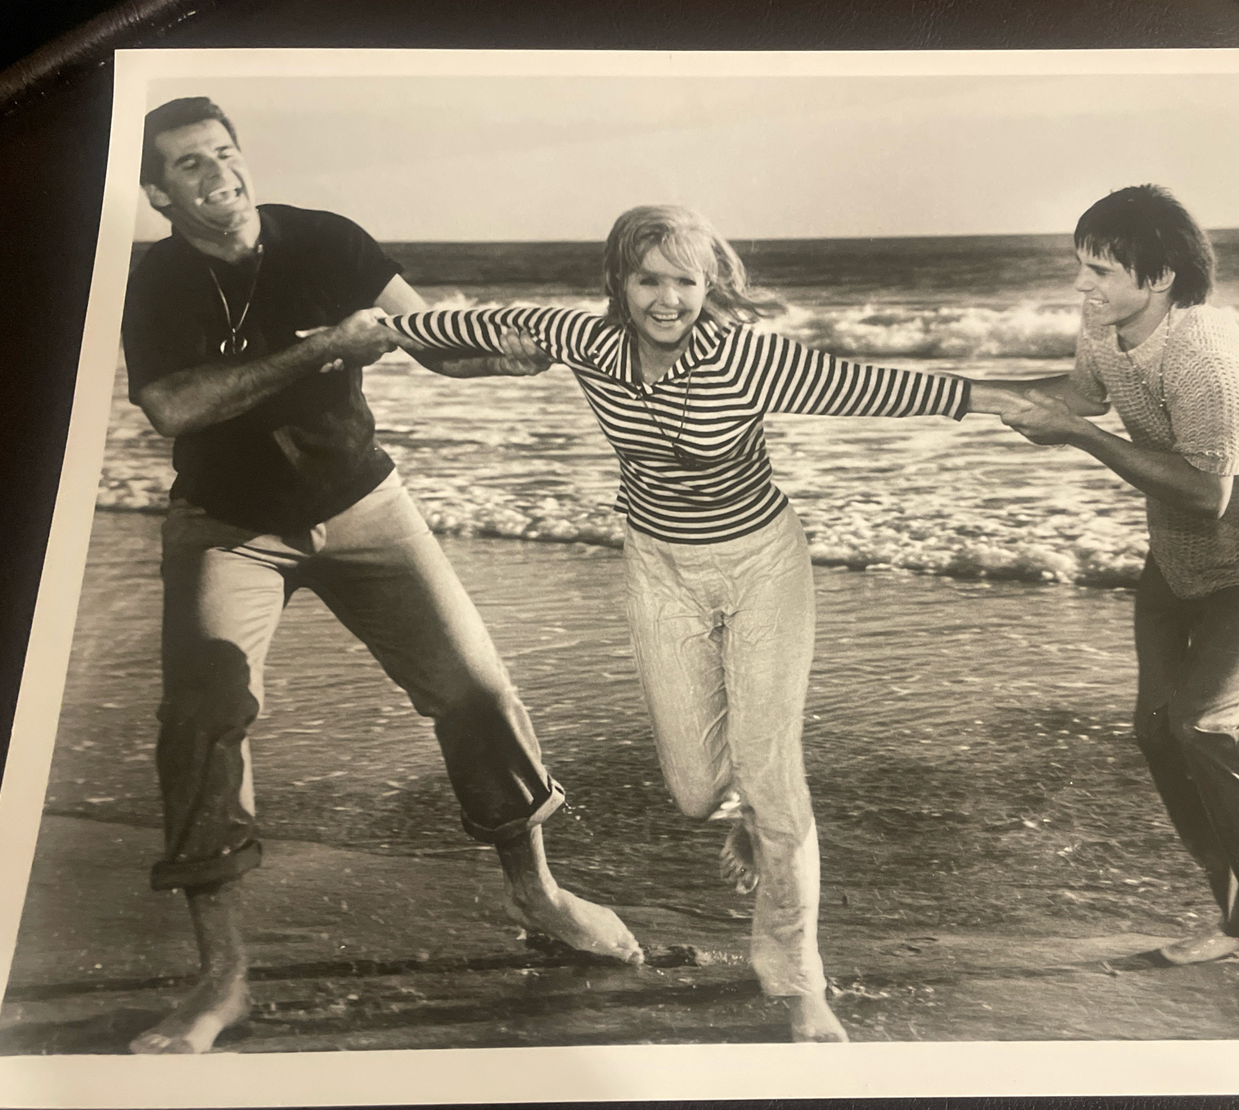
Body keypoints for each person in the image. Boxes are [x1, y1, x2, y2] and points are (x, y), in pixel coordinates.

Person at [382, 206, 1027, 1042]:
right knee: (694, 792)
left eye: (686, 281)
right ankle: (754, 816)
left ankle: (798, 978)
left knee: (772, 775)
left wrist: (1012, 399)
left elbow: (876, 385)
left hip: (764, 564)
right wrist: (371, 330)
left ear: (709, 284)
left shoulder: (744, 357)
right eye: (649, 278)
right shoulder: (586, 342)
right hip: (660, 569)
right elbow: (473, 321)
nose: (668, 299)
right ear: (618, 281)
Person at [120, 97, 641, 1055]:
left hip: (365, 503)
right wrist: (323, 348)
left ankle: (540, 894)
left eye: (226, 155)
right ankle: (221, 977)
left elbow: (430, 339)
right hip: (227, 528)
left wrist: (519, 357)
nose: (220, 175)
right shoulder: (156, 282)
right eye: (190, 165)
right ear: (158, 192)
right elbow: (172, 407)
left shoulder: (327, 241)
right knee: (204, 720)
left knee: (478, 693)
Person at [987, 185, 1239, 1036]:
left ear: (1158, 277)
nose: (1082, 285)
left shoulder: (1207, 356)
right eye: (1080, 266)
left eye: (1099, 271)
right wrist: (975, 392)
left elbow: (1207, 494)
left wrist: (1080, 439)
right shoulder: (1107, 326)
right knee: (1159, 729)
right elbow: (1081, 394)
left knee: (1210, 727)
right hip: (1180, 564)